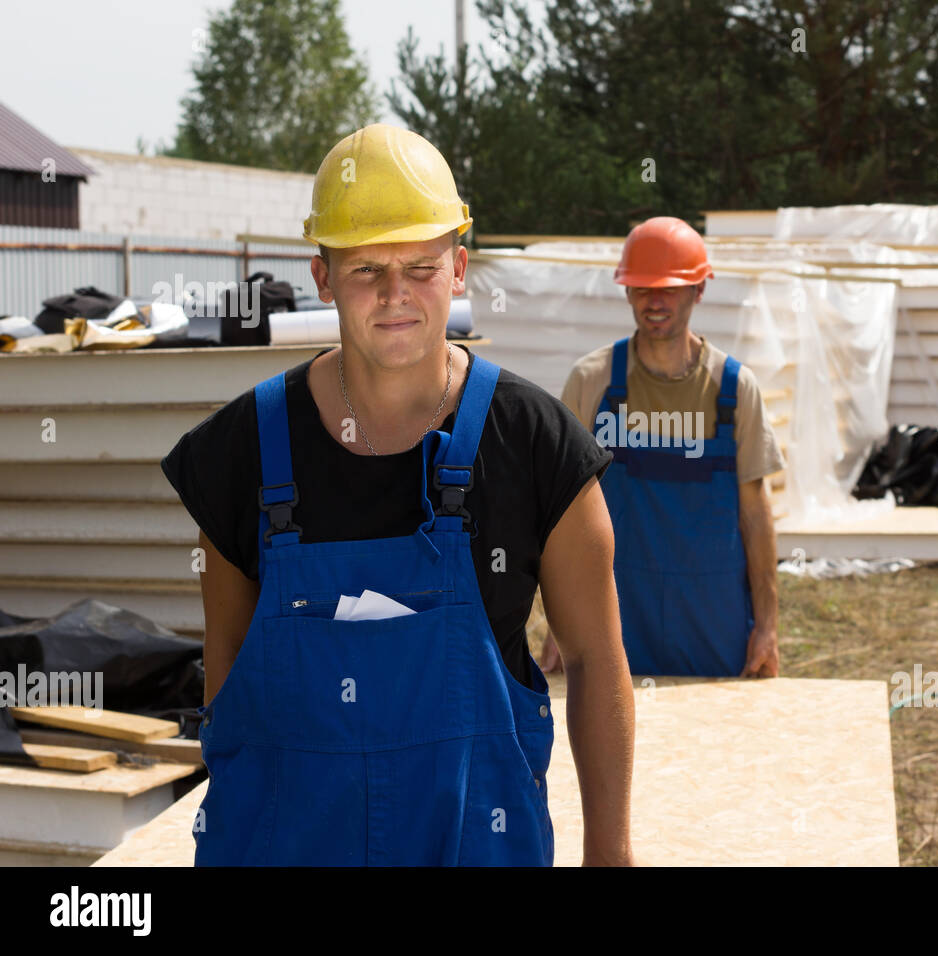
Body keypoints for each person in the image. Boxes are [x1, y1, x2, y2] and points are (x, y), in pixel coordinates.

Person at [160, 124, 634, 866]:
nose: (395, 295)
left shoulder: (537, 445)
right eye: (366, 269)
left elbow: (599, 661)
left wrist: (611, 852)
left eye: (420, 265)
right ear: (321, 278)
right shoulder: (242, 452)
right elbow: (229, 676)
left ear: (459, 269)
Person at [540, 217, 784, 678]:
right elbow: (561, 514)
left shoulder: (734, 391)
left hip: (716, 626)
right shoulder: (591, 383)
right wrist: (559, 623)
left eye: (669, 288)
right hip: (611, 621)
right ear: (626, 292)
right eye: (641, 288)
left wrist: (767, 626)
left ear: (699, 290)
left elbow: (756, 515)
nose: (654, 301)